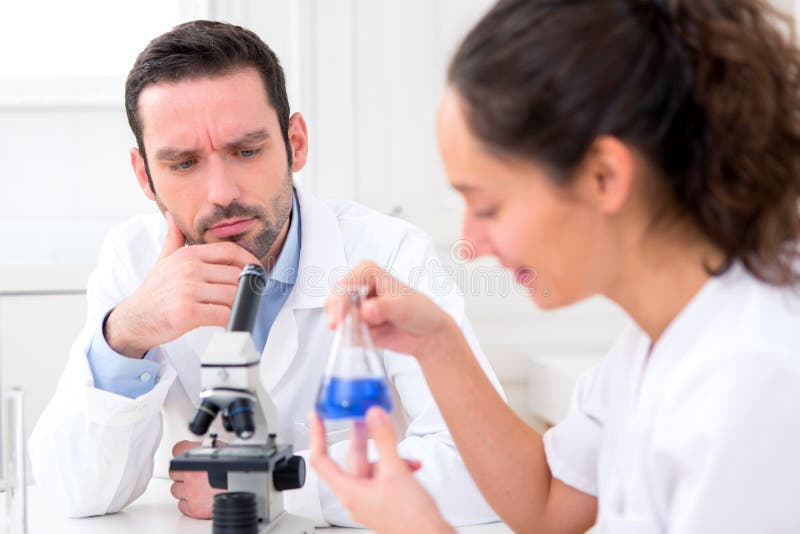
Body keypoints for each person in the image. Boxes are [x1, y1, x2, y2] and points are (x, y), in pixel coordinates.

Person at [310, 0, 800, 532]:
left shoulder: (754, 379)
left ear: (604, 177)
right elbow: (548, 502)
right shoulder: (654, 341)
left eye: (488, 206)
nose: (471, 243)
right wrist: (436, 343)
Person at [27, 20, 504, 527]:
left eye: (246, 151)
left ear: (295, 142)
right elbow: (76, 490)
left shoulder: (392, 254)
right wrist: (127, 333)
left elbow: (486, 470)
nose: (221, 193)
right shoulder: (132, 259)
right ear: (145, 175)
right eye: (183, 163)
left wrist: (275, 481)